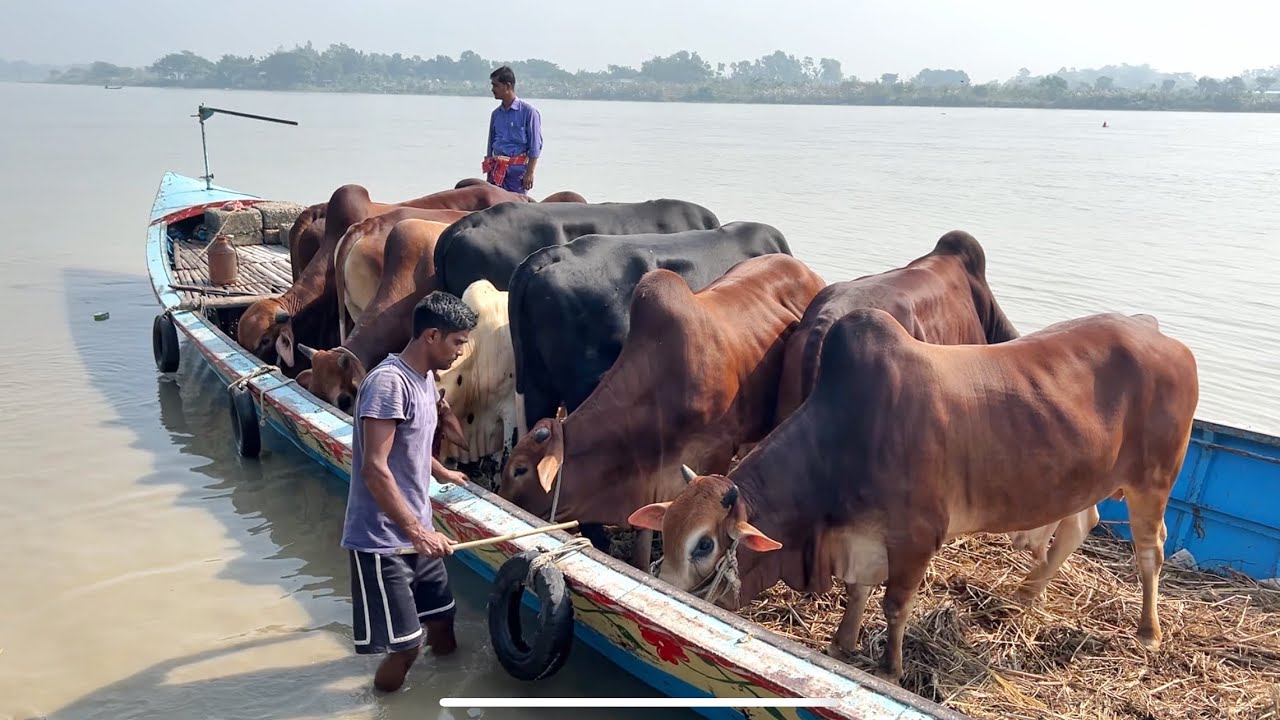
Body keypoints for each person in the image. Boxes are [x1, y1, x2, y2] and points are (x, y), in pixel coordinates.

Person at [340, 290, 478, 693]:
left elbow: (409, 444)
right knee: (406, 648)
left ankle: (445, 696)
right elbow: (374, 467)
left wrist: (440, 472)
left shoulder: (424, 380)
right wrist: (418, 533)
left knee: (442, 624)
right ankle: (383, 705)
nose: (460, 353)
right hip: (383, 542)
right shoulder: (389, 384)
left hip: (417, 533)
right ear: (431, 336)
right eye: (457, 342)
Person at [484, 65, 543, 194]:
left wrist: (530, 173)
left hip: (518, 174)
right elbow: (490, 145)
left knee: (516, 210)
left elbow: (535, 146)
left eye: (496, 85)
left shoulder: (529, 113)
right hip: (497, 171)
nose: (492, 89)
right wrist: (489, 172)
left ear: (508, 86)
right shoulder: (496, 114)